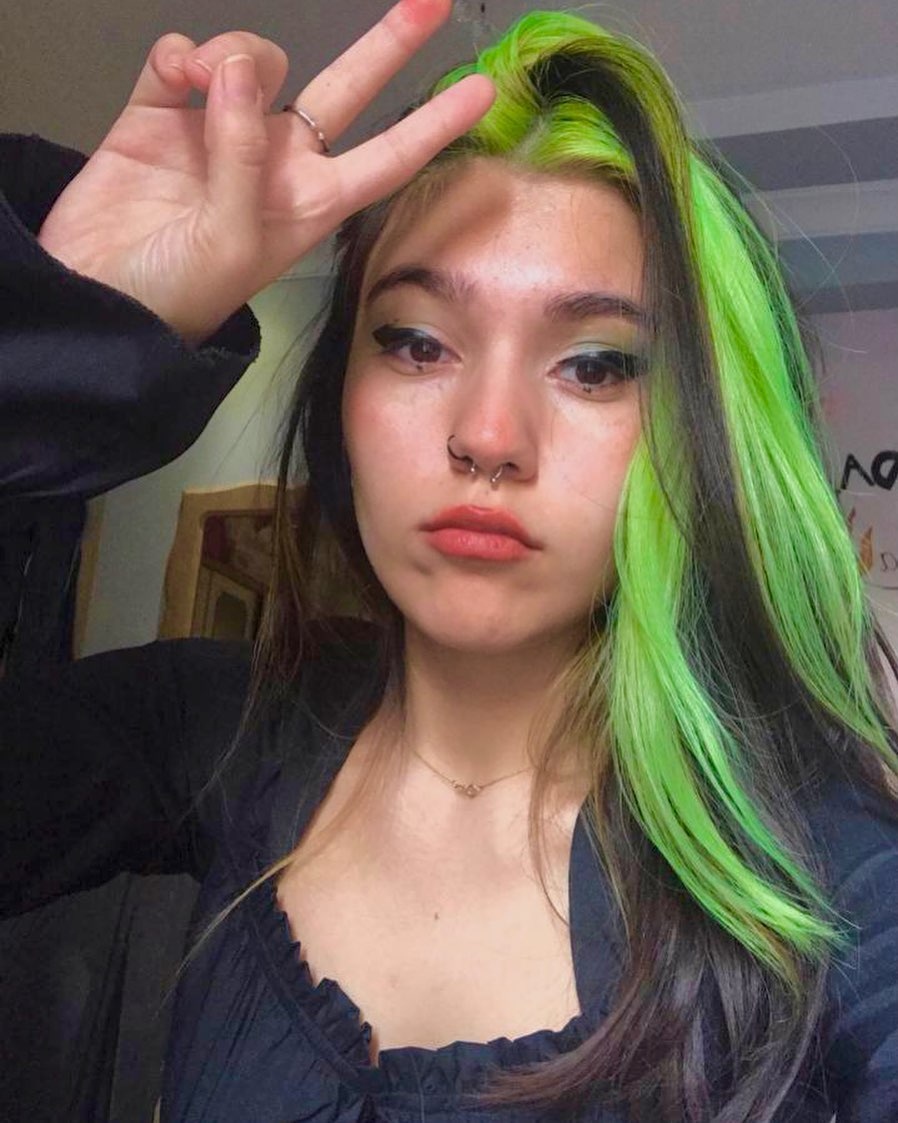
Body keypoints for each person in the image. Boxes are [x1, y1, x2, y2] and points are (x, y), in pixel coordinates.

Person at [2, 1, 897, 1120]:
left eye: (595, 365)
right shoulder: (214, 728)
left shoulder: (831, 878)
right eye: (417, 342)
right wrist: (61, 339)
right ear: (340, 394)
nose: (487, 435)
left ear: (697, 434)